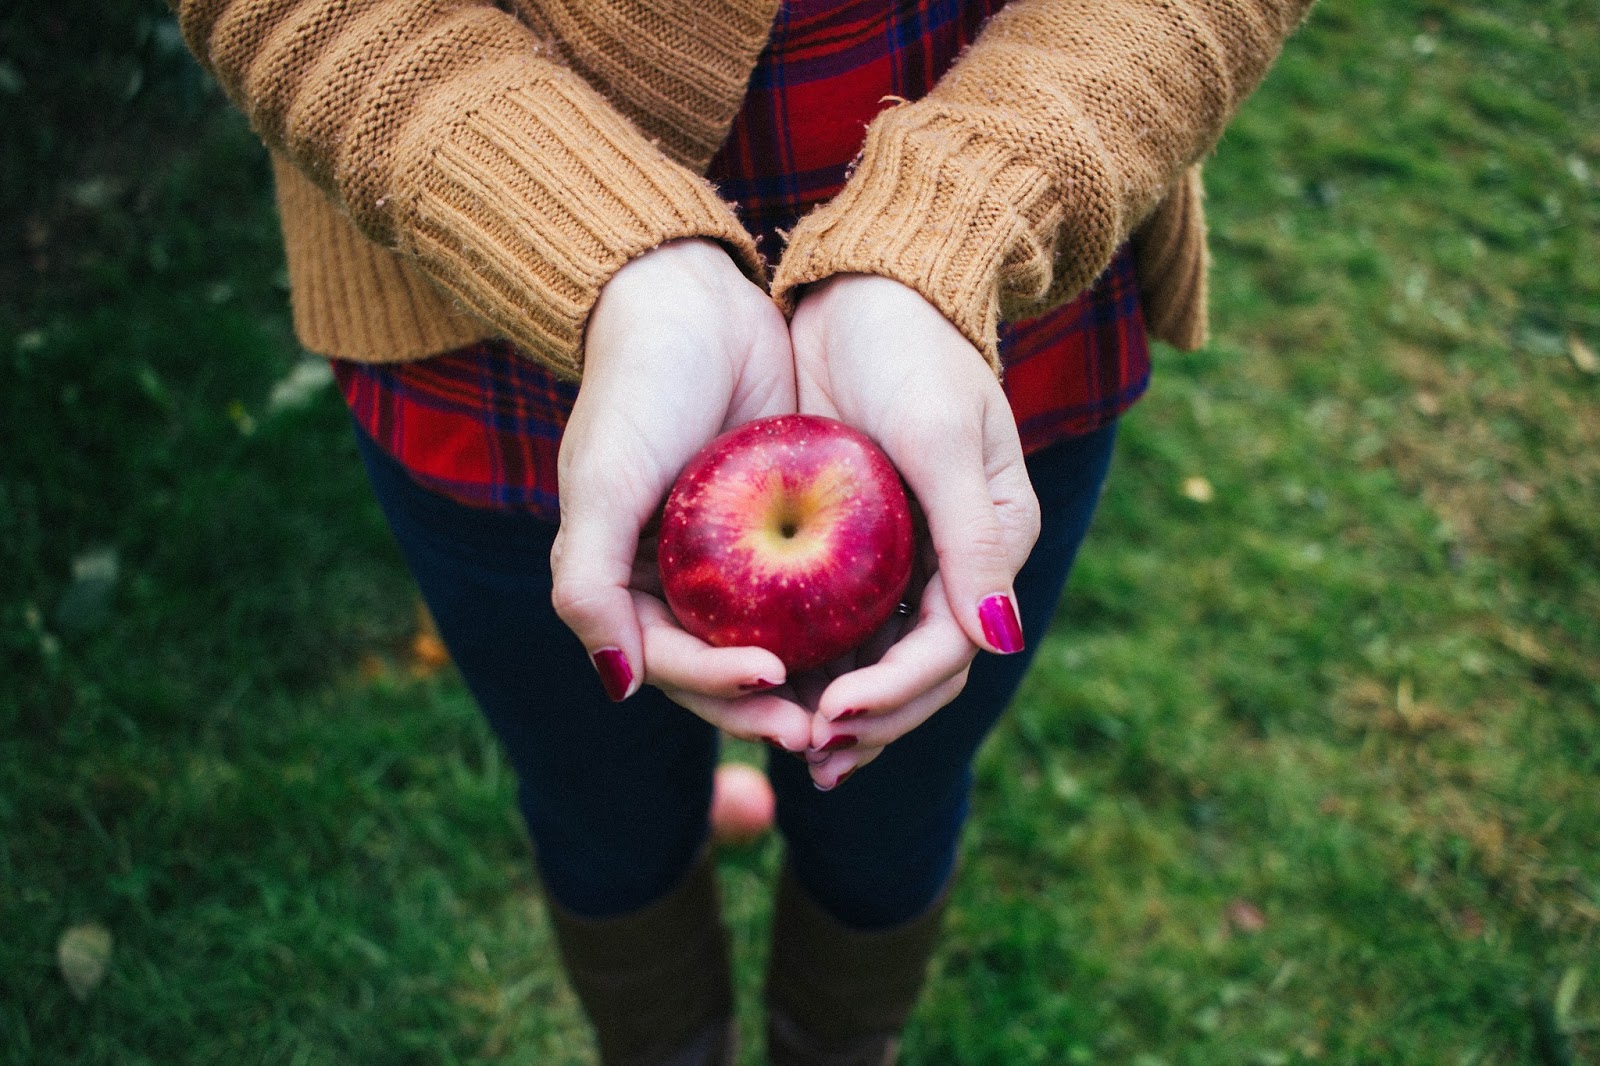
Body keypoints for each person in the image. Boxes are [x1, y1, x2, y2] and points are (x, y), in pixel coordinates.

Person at [173, 0, 1312, 1061]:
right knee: (601, 815)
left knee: (893, 807)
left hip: (983, 292)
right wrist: (606, 256)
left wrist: (958, 220)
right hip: (485, 284)